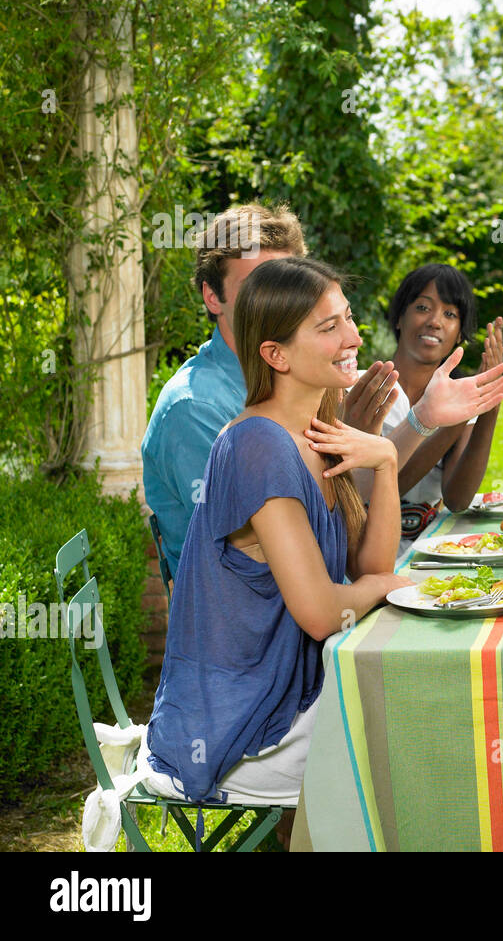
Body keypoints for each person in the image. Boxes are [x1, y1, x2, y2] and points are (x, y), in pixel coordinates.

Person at [146, 257, 420, 810]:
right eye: (329, 327)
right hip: (243, 724)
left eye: (348, 317)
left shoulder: (316, 428)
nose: (353, 336)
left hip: (294, 689)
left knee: (426, 707)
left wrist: (387, 463)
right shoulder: (257, 445)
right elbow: (323, 612)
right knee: (423, 726)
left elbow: (365, 570)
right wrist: (398, 585)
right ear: (275, 354)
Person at [142, 202, 409, 573]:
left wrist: (372, 448)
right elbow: (278, 566)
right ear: (212, 297)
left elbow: (348, 553)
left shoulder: (307, 385)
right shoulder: (195, 407)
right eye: (258, 285)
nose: (278, 301)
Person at [381, 263, 503, 512]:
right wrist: (454, 411)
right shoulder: (359, 389)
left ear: (460, 334)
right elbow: (384, 487)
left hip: (433, 547)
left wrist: (487, 406)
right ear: (398, 318)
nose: (434, 322)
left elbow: (457, 499)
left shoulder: (461, 396)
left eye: (450, 314)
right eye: (422, 308)